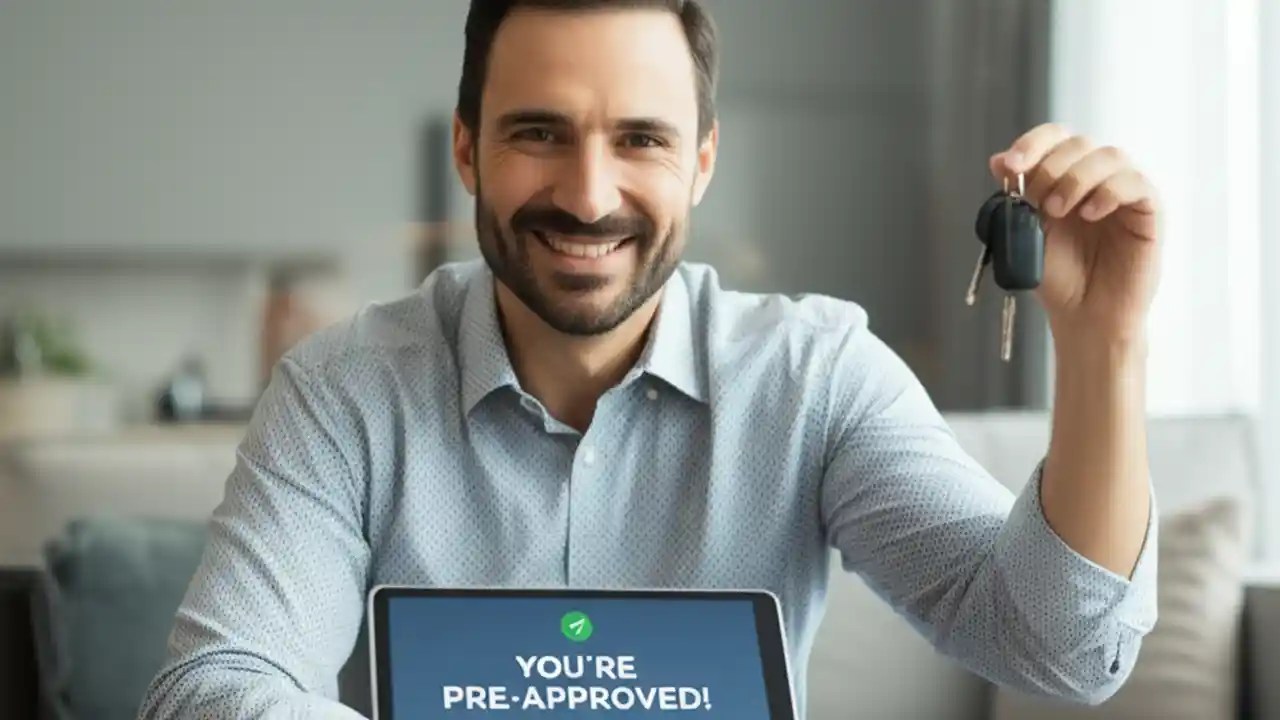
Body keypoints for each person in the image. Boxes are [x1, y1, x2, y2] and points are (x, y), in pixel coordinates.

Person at [140, 1, 1162, 717]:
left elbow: (1058, 649)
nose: (588, 196)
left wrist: (1100, 342)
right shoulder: (341, 392)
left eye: (639, 139)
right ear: (466, 149)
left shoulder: (815, 378)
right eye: (539, 133)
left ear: (702, 161)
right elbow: (213, 687)